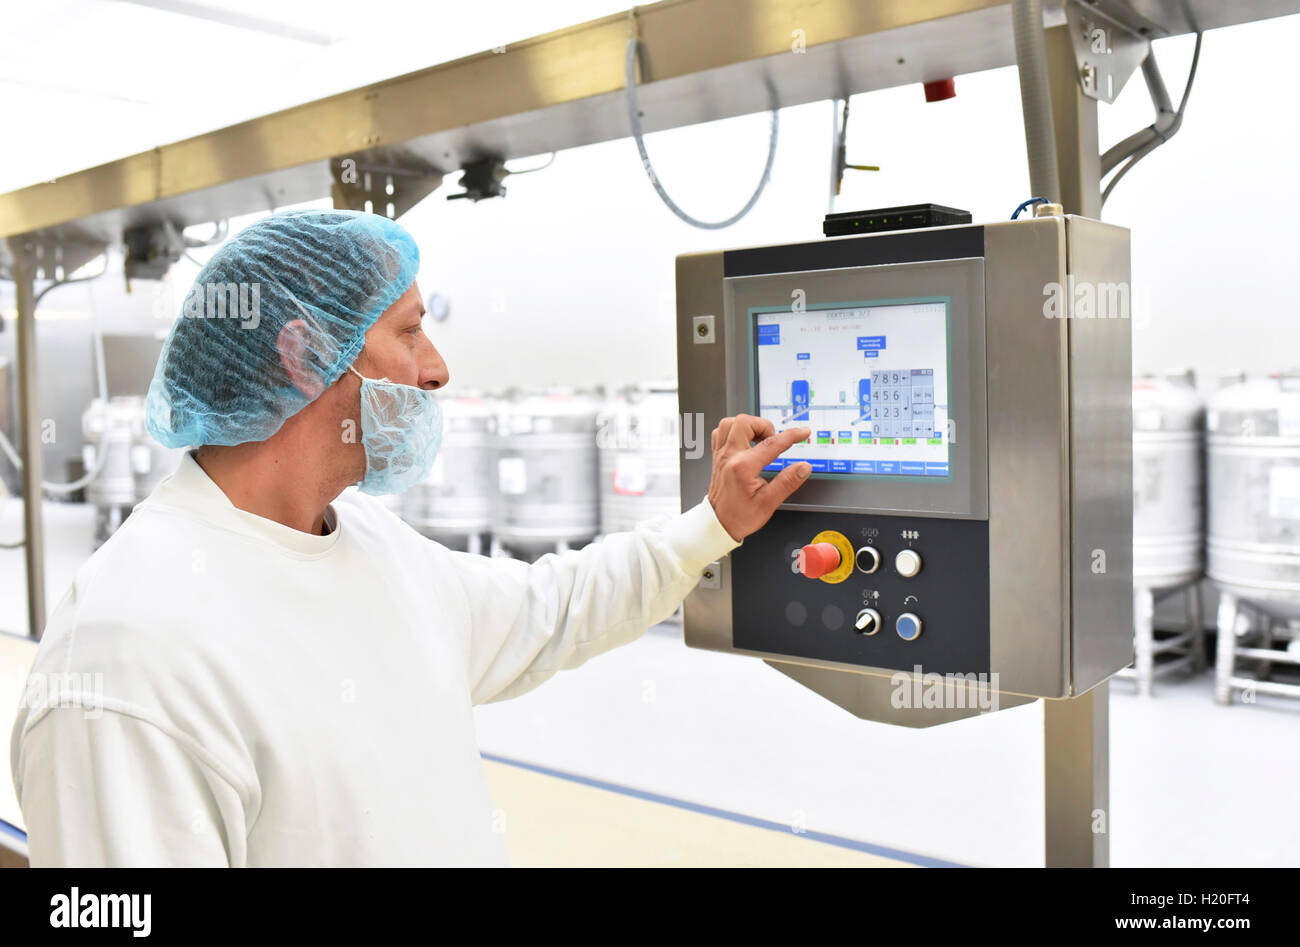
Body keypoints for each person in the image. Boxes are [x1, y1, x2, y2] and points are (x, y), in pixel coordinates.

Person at [8, 209, 812, 866]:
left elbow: (552, 606)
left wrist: (713, 523)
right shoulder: (125, 655)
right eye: (411, 331)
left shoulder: (368, 544)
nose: (437, 370)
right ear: (302, 352)